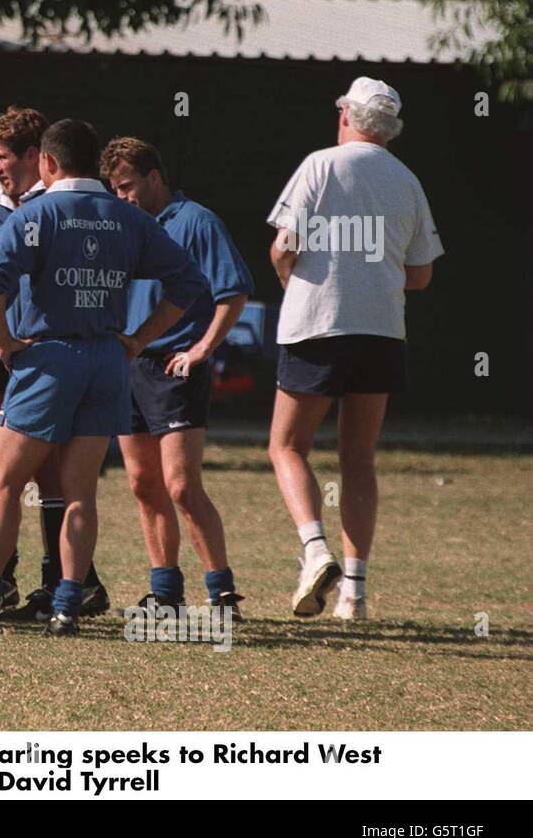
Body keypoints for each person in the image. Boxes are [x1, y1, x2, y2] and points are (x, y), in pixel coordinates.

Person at [0, 119, 208, 635]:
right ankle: (66, 607)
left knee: (4, 482)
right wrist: (137, 339)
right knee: (79, 491)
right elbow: (189, 282)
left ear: (48, 164)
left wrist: (1, 339)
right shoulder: (127, 218)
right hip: (107, 360)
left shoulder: (37, 214)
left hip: (48, 358)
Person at [266, 77, 442, 620]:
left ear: (346, 114)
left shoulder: (320, 164)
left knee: (287, 446)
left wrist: (291, 279)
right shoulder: (408, 181)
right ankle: (355, 594)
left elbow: (283, 246)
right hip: (382, 330)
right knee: (358, 458)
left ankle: (314, 550)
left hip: (317, 323)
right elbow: (421, 276)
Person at [0, 106, 111, 621]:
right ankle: (2, 581)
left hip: (45, 354)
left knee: (49, 477)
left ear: (36, 158)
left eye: (4, 157)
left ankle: (61, 583)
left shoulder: (64, 206)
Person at [101, 136, 253, 618]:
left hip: (174, 368)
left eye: (127, 186)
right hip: (129, 363)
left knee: (182, 485)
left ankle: (221, 592)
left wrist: (202, 350)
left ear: (154, 177)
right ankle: (164, 592)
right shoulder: (123, 226)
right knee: (143, 483)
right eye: (114, 189)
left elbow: (233, 293)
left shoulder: (197, 222)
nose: (122, 196)